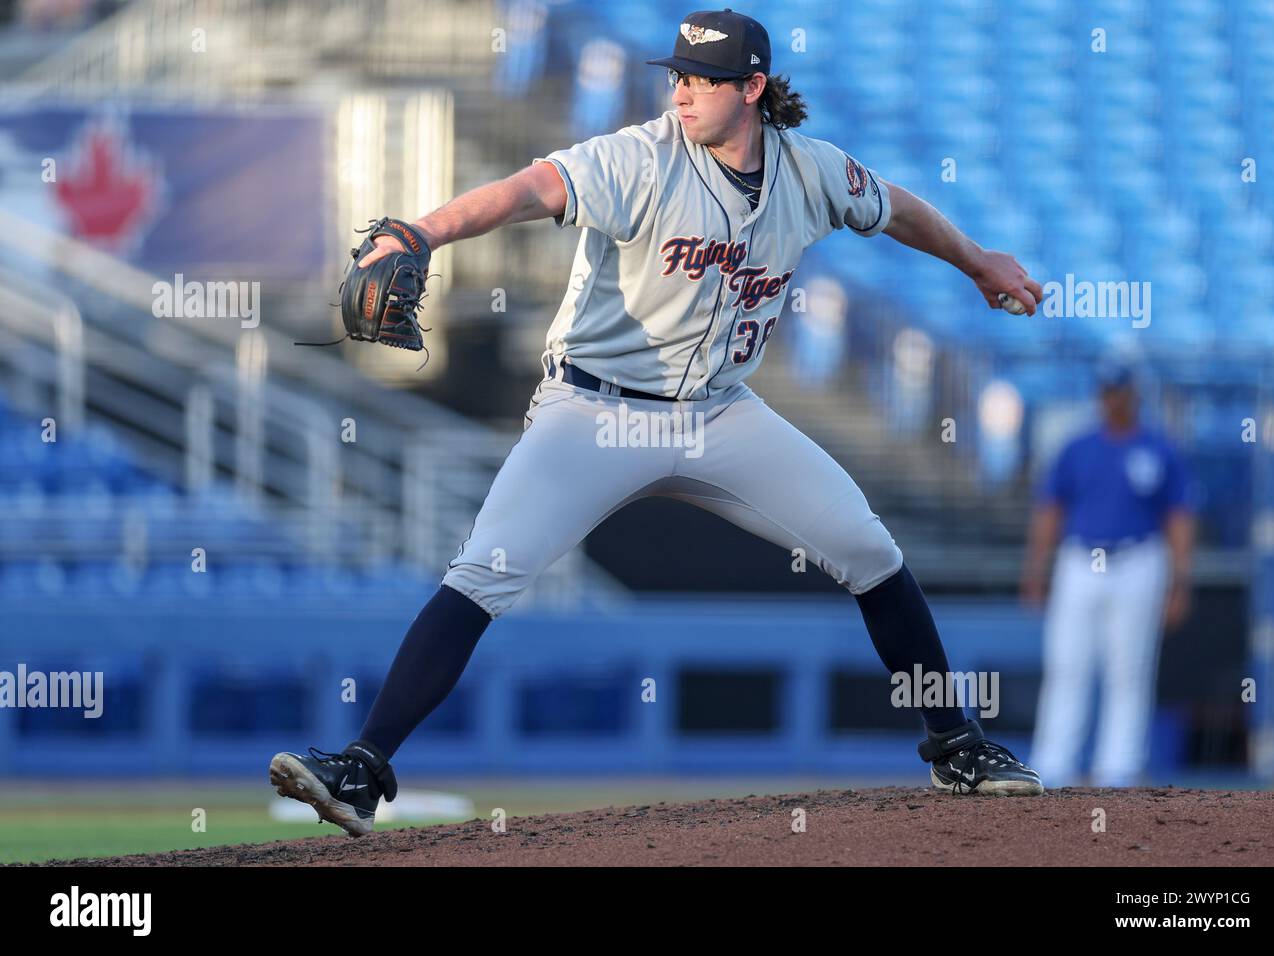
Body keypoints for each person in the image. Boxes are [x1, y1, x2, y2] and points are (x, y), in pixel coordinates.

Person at [270, 8, 1047, 836]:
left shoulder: (811, 172)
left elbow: (894, 207)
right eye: (675, 73)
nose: (680, 90)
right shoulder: (637, 157)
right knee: (488, 569)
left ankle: (956, 744)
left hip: (720, 413)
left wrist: (977, 261)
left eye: (701, 78)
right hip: (595, 409)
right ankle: (360, 768)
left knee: (869, 550)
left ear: (751, 88)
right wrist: (424, 230)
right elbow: (530, 189)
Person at [1021, 361, 1195, 787]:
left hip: (1138, 559)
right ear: (1099, 395)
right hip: (1081, 560)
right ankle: (1054, 762)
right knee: (1067, 664)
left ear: (1134, 394)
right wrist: (1035, 567)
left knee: (1129, 668)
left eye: (1120, 391)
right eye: (1107, 391)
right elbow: (1050, 511)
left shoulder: (1158, 448)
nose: (1114, 399)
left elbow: (1179, 518)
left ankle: (1118, 767)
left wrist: (1180, 580)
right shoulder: (1077, 447)